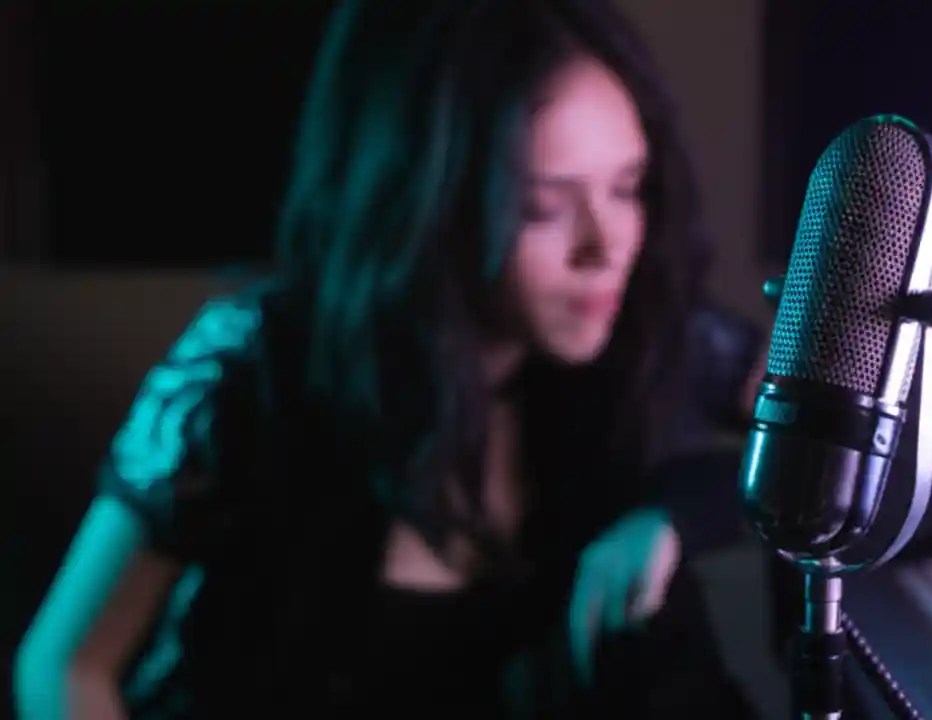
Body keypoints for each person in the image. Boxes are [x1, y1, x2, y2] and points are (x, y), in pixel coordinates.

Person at [13, 0, 766, 717]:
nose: (606, 249)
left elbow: (858, 450)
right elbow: (66, 666)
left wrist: (676, 514)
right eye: (543, 207)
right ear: (429, 199)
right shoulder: (253, 365)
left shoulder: (645, 334)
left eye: (628, 188)